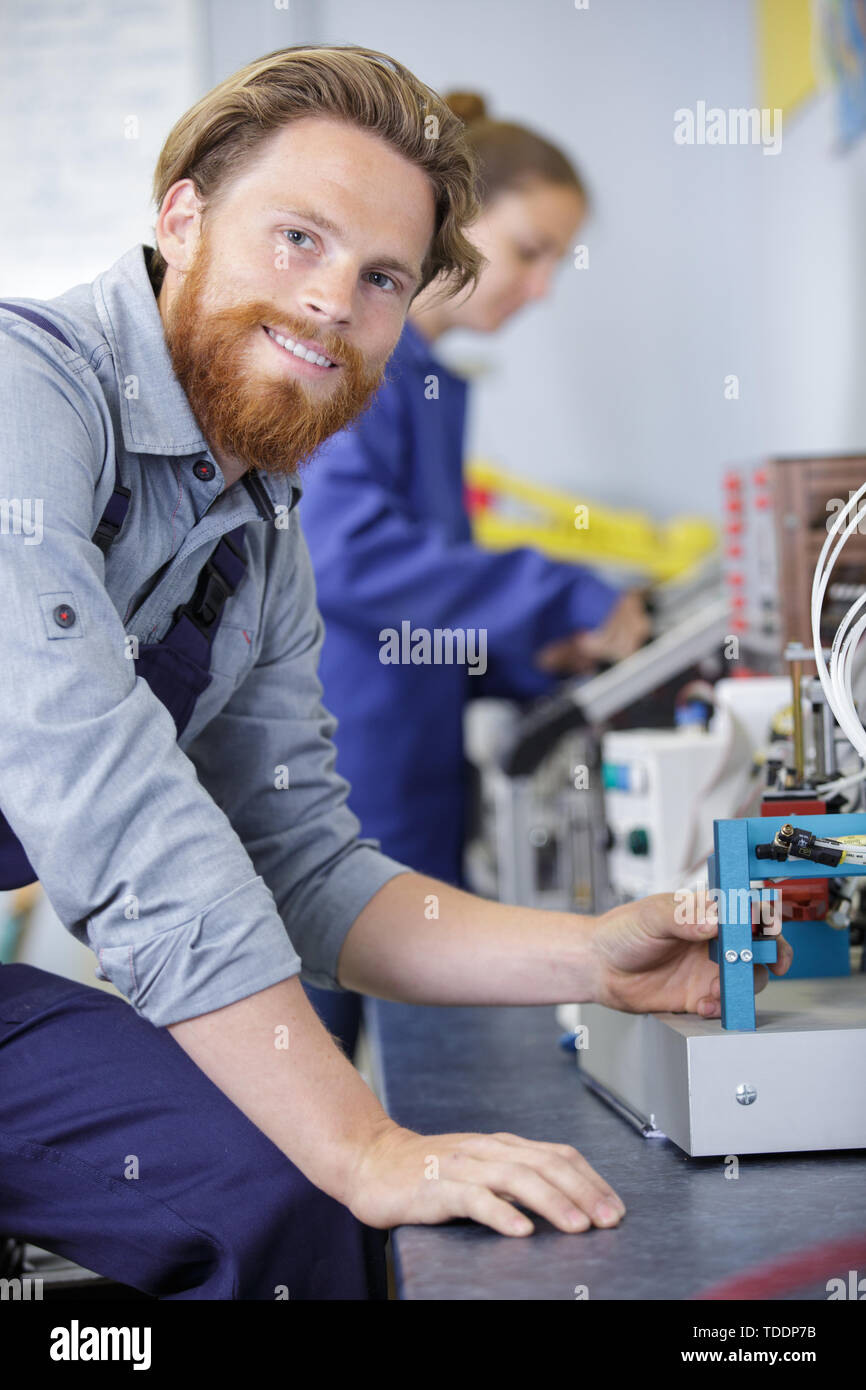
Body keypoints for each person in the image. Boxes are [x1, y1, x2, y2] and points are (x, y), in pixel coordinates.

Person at [0, 45, 790, 1301]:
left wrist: (590, 955)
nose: (332, 303)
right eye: (297, 238)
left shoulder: (258, 526)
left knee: (276, 1199)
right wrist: (365, 1141)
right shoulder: (27, 393)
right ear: (181, 215)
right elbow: (100, 792)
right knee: (311, 1172)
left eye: (380, 277)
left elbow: (302, 858)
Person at [300, 92, 649, 1055]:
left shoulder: (427, 381)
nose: (540, 287)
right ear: (454, 218)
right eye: (531, 250)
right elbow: (346, 557)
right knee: (294, 1103)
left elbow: (424, 605)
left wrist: (548, 651)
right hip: (333, 780)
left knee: (398, 1069)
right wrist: (571, 596)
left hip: (401, 781)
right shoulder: (361, 364)